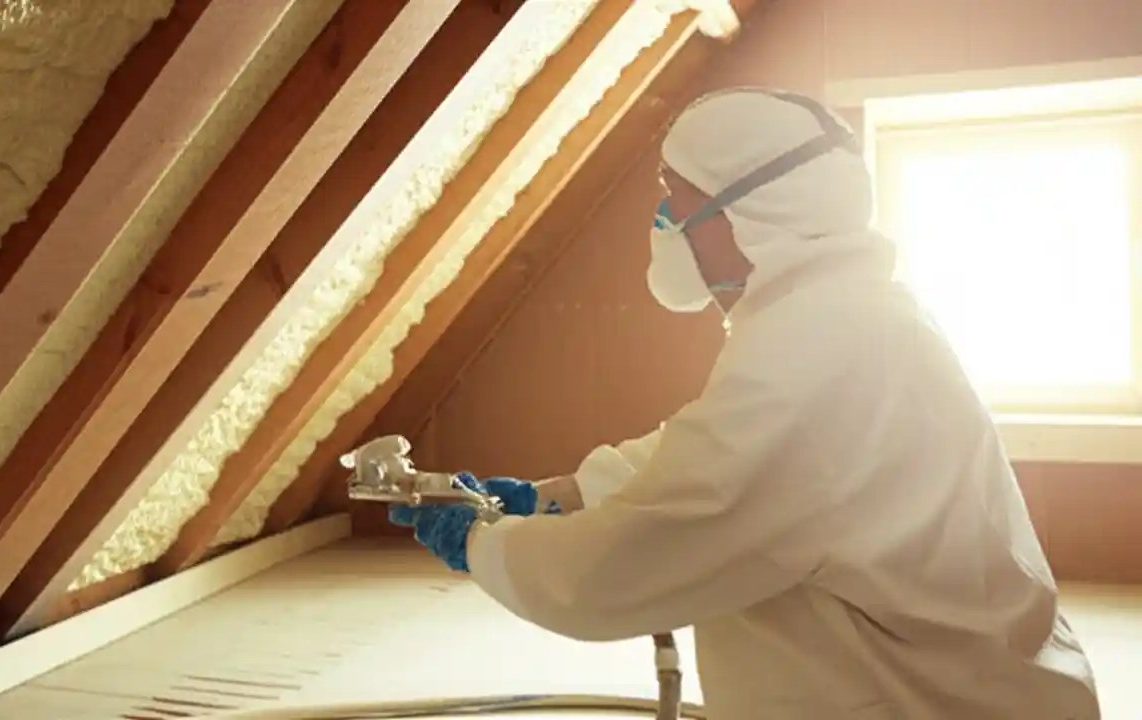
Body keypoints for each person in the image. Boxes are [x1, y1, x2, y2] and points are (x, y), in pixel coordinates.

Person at [388, 87, 1100, 718]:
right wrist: (552, 498)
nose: (665, 220)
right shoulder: (848, 311)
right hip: (976, 679)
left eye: (681, 201)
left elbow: (638, 556)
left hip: (922, 698)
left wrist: (484, 541)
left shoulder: (816, 349)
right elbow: (715, 452)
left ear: (752, 212)